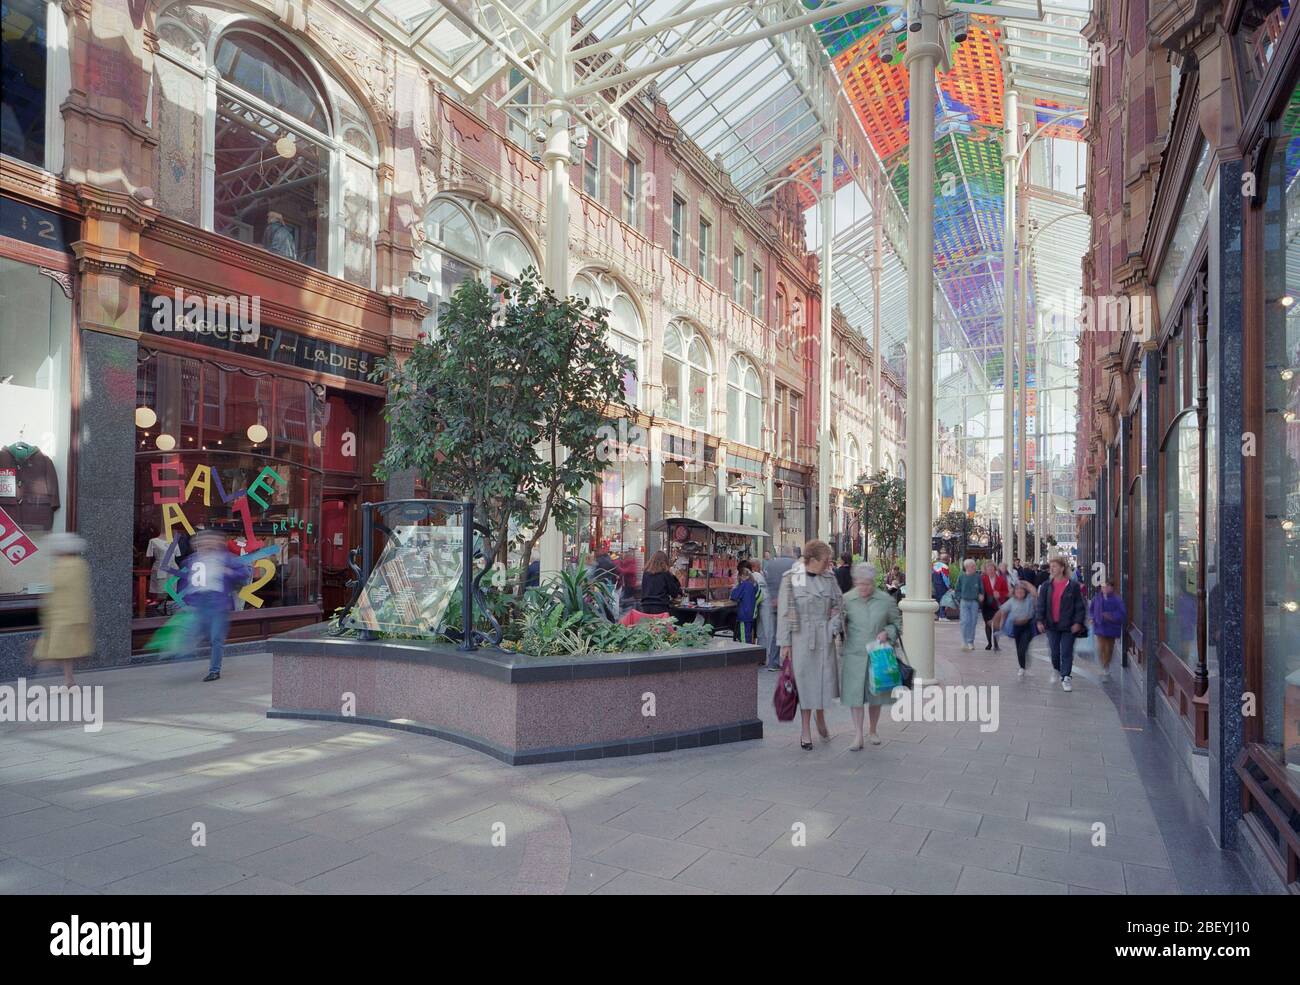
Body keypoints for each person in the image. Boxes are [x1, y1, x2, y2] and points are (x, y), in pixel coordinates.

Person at [777, 539, 843, 751]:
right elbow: (785, 613)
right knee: (805, 685)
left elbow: (840, 606)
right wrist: (785, 643)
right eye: (825, 560)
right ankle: (805, 730)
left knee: (824, 682)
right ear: (812, 559)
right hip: (801, 638)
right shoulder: (791, 578)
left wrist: (833, 625)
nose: (828, 564)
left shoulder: (829, 578)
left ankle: (820, 717)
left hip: (824, 636)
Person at [179, 529, 255, 682]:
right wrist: (187, 602)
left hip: (218, 602)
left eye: (210, 540)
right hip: (199, 602)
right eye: (202, 540)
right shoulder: (192, 560)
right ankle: (184, 655)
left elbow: (245, 573)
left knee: (216, 637)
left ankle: (214, 670)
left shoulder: (225, 558)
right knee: (195, 633)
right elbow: (184, 582)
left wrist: (229, 572)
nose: (206, 543)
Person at [840, 562, 902, 749]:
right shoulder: (847, 599)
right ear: (855, 582)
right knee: (855, 695)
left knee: (876, 696)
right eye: (860, 583)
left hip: (878, 655)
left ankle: (873, 730)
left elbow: (897, 623)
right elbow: (839, 623)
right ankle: (858, 734)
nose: (863, 587)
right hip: (855, 654)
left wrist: (887, 633)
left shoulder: (885, 600)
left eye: (867, 583)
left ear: (873, 582)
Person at [29, 533, 92, 687]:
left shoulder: (66, 566)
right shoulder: (79, 564)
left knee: (54, 651)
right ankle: (69, 681)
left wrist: (29, 588)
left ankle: (37, 683)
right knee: (65, 651)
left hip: (63, 616)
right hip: (73, 615)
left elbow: (52, 585)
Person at [1036, 557, 1087, 692]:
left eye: (1054, 566)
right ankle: (1056, 669)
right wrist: (1039, 620)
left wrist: (1078, 622)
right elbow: (1041, 604)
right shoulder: (1046, 585)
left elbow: (1080, 606)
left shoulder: (1073, 586)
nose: (1051, 569)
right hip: (1052, 625)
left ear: (1062, 568)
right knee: (1054, 652)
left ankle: (1066, 677)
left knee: (1066, 652)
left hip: (1069, 625)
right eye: (1051, 566)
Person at [993, 579, 1039, 679]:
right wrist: (1001, 624)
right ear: (1014, 592)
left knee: (1023, 647)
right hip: (1016, 627)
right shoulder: (1011, 601)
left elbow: (1035, 592)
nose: (1020, 593)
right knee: (1019, 648)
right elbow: (1003, 612)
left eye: (1022, 591)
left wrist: (1026, 583)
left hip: (1027, 626)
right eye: (1017, 591)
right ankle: (1022, 667)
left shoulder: (1029, 599)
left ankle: (1023, 663)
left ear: (1025, 592)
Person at [762, 550, 795, 670]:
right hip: (788, 603)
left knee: (776, 633)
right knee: (790, 633)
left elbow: (766, 580)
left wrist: (773, 596)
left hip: (774, 602)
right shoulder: (794, 564)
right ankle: (789, 663)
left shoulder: (771, 564)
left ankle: (773, 662)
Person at [1089, 579, 1127, 682]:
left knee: (1109, 647)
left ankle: (1107, 663)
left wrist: (1111, 616)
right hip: (1100, 626)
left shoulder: (1116, 600)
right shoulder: (1097, 598)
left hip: (1112, 627)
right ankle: (1104, 664)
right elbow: (1091, 609)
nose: (1104, 589)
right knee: (1101, 646)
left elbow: (1122, 613)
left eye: (1106, 586)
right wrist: (1092, 618)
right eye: (1102, 587)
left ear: (1111, 587)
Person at [639, 550, 682, 615]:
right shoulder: (665, 574)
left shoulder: (646, 573)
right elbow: (674, 592)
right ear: (665, 562)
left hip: (645, 606)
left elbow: (643, 589)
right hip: (660, 607)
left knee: (648, 625)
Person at [980, 560, 1010, 651]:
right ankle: (989, 643)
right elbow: (978, 589)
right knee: (988, 624)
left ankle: (996, 644)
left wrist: (999, 594)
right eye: (988, 568)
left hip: (997, 604)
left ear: (995, 569)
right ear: (985, 570)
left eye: (992, 568)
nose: (990, 570)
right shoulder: (982, 578)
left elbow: (1006, 592)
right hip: (986, 604)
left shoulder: (1001, 579)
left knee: (996, 624)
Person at [954, 558, 983, 650]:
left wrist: (981, 595)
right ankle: (964, 641)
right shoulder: (961, 577)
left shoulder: (978, 576)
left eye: (974, 566)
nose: (974, 567)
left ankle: (971, 641)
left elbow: (981, 589)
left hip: (974, 602)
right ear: (967, 567)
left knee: (973, 622)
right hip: (964, 601)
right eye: (973, 566)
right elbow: (957, 589)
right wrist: (959, 598)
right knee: (965, 622)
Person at [730, 560, 759, 644]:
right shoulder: (754, 584)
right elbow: (759, 596)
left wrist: (737, 585)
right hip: (751, 614)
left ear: (742, 575)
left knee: (744, 638)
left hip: (744, 615)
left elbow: (734, 596)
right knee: (748, 635)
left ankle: (745, 655)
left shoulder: (744, 585)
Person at [931, 552, 951, 621]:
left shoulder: (934, 565)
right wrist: (948, 587)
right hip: (942, 585)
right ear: (947, 560)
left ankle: (936, 614)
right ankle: (942, 616)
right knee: (943, 600)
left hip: (934, 585)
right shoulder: (945, 567)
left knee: (937, 600)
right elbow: (945, 578)